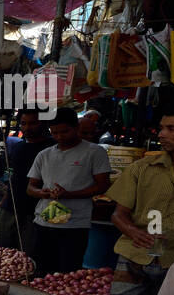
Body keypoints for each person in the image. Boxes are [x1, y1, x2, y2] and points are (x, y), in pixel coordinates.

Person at [107, 106, 174, 295]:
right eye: (161, 128)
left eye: (172, 129)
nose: (161, 134)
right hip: (134, 257)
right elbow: (118, 215)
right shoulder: (142, 167)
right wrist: (134, 232)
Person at [25, 107, 112, 275]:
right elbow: (30, 187)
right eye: (54, 133)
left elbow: (103, 185)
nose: (59, 137)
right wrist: (43, 193)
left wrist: (69, 195)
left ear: (76, 127)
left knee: (67, 272)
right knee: (40, 270)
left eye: (64, 132)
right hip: (44, 221)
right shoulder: (44, 155)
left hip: (74, 224)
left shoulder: (94, 152)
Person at [0, 108, 53, 253]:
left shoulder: (52, 148)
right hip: (11, 206)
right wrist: (3, 201)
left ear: (44, 123)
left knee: (28, 252)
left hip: (36, 209)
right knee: (1, 249)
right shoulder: (20, 147)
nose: (27, 128)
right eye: (23, 123)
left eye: (33, 123)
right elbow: (15, 178)